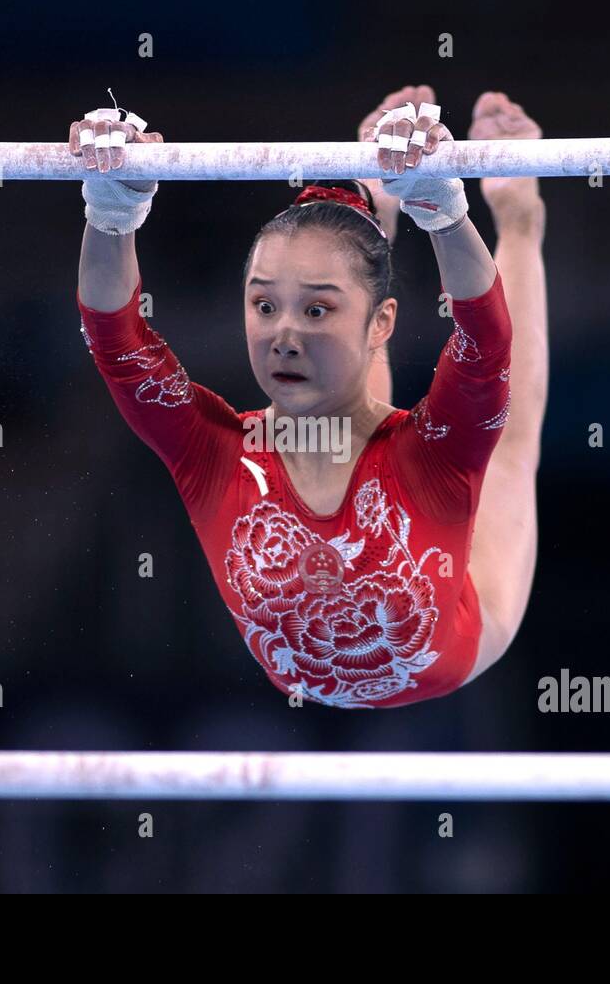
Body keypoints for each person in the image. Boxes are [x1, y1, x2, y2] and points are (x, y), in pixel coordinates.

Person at [72, 86, 547, 708]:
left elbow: (486, 344)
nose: (283, 335)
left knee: (506, 434)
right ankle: (371, 213)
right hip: (307, 665)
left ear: (386, 323)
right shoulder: (213, 452)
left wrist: (446, 210)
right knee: (346, 394)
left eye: (315, 308)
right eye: (264, 304)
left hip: (462, 639)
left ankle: (517, 211)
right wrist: (110, 210)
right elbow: (114, 338)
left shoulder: (432, 453)